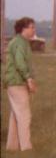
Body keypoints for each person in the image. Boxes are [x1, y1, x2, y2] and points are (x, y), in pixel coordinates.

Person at [4, 17, 37, 151]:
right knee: (24, 115)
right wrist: (28, 78)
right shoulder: (19, 43)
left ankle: (12, 147)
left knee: (15, 115)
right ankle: (26, 147)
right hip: (17, 82)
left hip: (14, 82)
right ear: (23, 29)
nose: (34, 29)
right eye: (32, 27)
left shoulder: (22, 42)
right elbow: (19, 62)